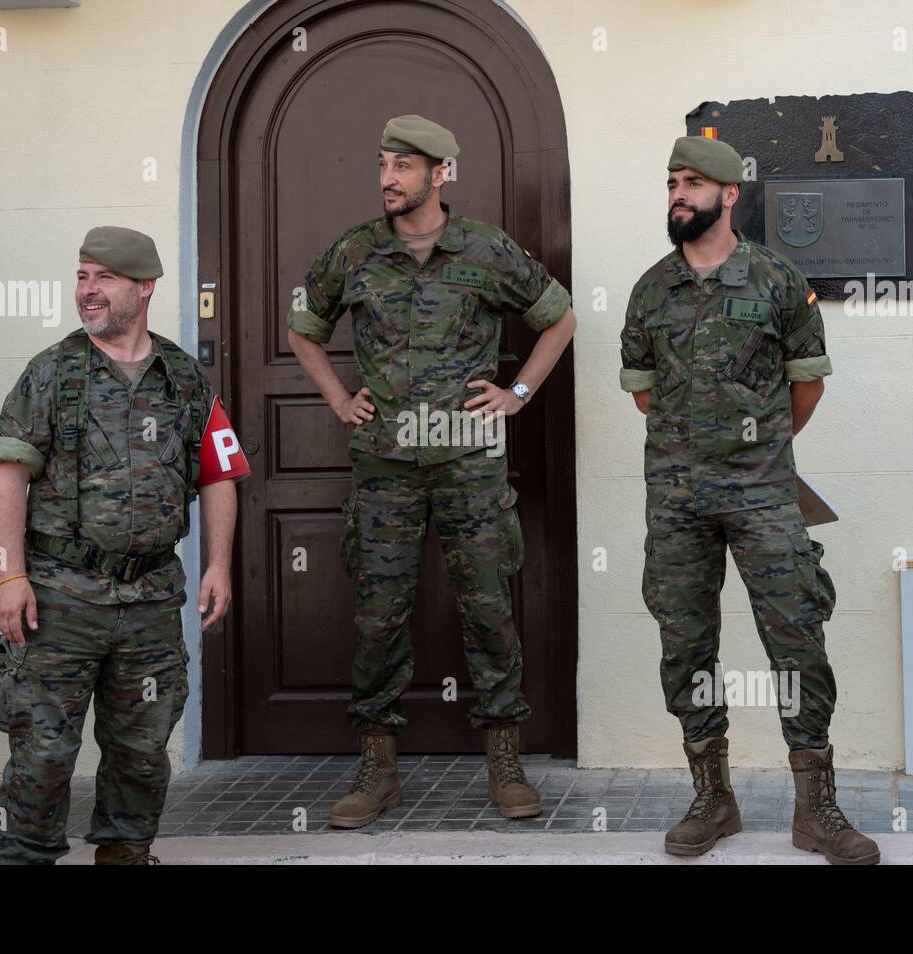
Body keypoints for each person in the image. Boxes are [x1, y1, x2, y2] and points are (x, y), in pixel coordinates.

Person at [286, 115, 576, 828]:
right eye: (383, 164)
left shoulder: (485, 249)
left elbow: (560, 317)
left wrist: (519, 394)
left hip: (469, 466)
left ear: (441, 173)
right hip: (385, 465)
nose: (388, 177)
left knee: (487, 610)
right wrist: (335, 395)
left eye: (405, 166)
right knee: (380, 616)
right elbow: (303, 326)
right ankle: (377, 768)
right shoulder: (355, 252)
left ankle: (504, 762)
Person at [620, 135, 879, 864]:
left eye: (693, 183)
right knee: (685, 642)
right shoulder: (650, 291)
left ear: (730, 195)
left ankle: (817, 810)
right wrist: (696, 454)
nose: (678, 193)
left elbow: (808, 385)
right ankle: (713, 798)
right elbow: (644, 395)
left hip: (764, 495)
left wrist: (757, 448)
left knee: (796, 633)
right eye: (672, 181)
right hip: (675, 500)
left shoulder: (775, 279)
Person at [0, 225, 248, 864]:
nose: (88, 291)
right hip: (59, 599)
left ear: (144, 287)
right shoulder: (51, 372)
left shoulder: (185, 378)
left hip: (153, 598)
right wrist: (8, 575)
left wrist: (218, 566)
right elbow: (8, 475)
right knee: (42, 751)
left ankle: (125, 856)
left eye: (103, 277)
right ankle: (25, 858)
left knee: (142, 747)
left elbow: (219, 475)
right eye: (82, 276)